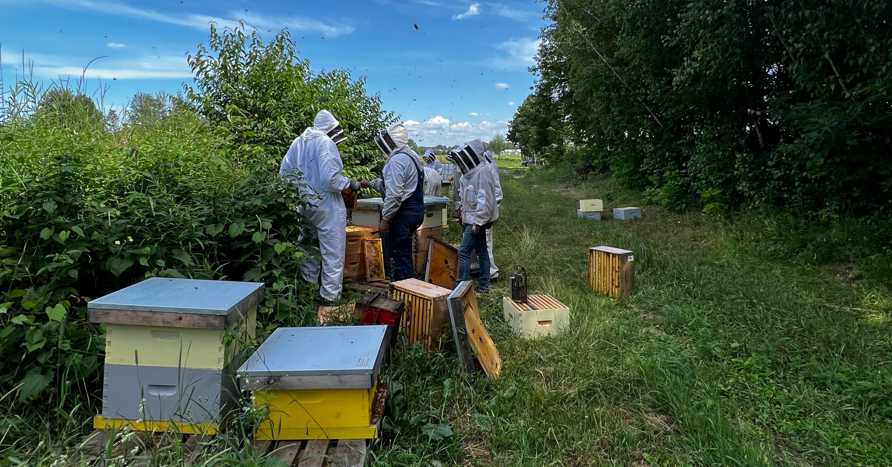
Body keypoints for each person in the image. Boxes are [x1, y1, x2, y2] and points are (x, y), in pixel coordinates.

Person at [279, 110, 358, 304]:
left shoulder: (297, 143)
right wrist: (349, 184)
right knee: (332, 253)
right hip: (327, 206)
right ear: (331, 129)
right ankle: (329, 299)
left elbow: (284, 174)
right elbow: (330, 179)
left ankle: (308, 290)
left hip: (304, 206)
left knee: (308, 249)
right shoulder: (326, 142)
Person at [364, 123, 426, 281]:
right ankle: (407, 286)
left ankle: (404, 290)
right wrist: (370, 183)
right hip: (415, 211)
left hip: (403, 214)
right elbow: (393, 185)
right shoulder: (411, 156)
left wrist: (385, 219)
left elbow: (394, 195)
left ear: (392, 141)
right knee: (404, 252)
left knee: (399, 255)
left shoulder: (397, 161)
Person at [449, 139, 499, 292]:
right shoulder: (466, 176)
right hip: (469, 219)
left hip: (477, 221)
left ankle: (461, 288)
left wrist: (478, 223)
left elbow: (485, 201)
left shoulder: (483, 172)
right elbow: (465, 198)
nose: (462, 162)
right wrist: (460, 212)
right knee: (482, 250)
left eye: (464, 158)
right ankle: (484, 285)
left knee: (464, 252)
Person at [482, 147, 503, 280]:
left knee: (487, 242)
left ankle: (492, 272)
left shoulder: (489, 168)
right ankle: (484, 269)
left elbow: (498, 194)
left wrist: (489, 212)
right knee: (481, 243)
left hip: (486, 213)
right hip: (480, 212)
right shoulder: (482, 168)